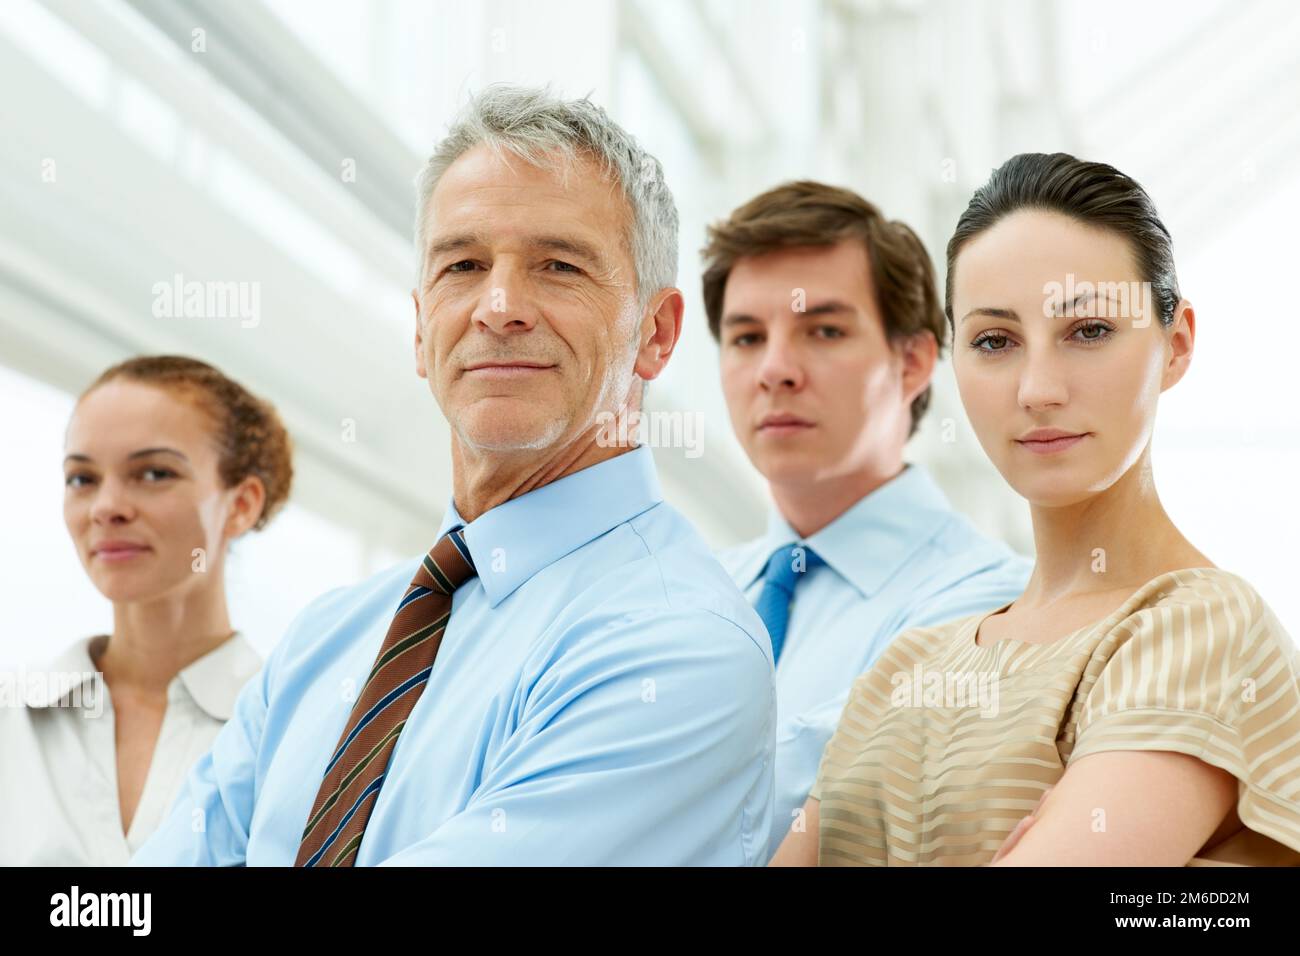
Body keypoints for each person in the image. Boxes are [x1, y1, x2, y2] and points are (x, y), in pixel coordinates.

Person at [132, 85, 774, 867]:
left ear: (657, 333)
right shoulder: (324, 641)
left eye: (559, 265)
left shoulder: (679, 647)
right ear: (419, 328)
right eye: (463, 266)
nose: (498, 307)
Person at [772, 152, 1300, 866]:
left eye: (1089, 331)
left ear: (1175, 346)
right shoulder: (905, 664)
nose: (1038, 389)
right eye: (995, 341)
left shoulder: (1202, 627)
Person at [702, 180, 1032, 861]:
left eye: (824, 330)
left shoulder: (991, 603)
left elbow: (845, 805)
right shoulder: (690, 592)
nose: (775, 370)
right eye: (747, 337)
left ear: (912, 362)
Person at [0, 355, 292, 864]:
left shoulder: (291, 728)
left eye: (154, 473)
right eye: (82, 479)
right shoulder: (12, 719)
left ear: (241, 504)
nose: (105, 507)